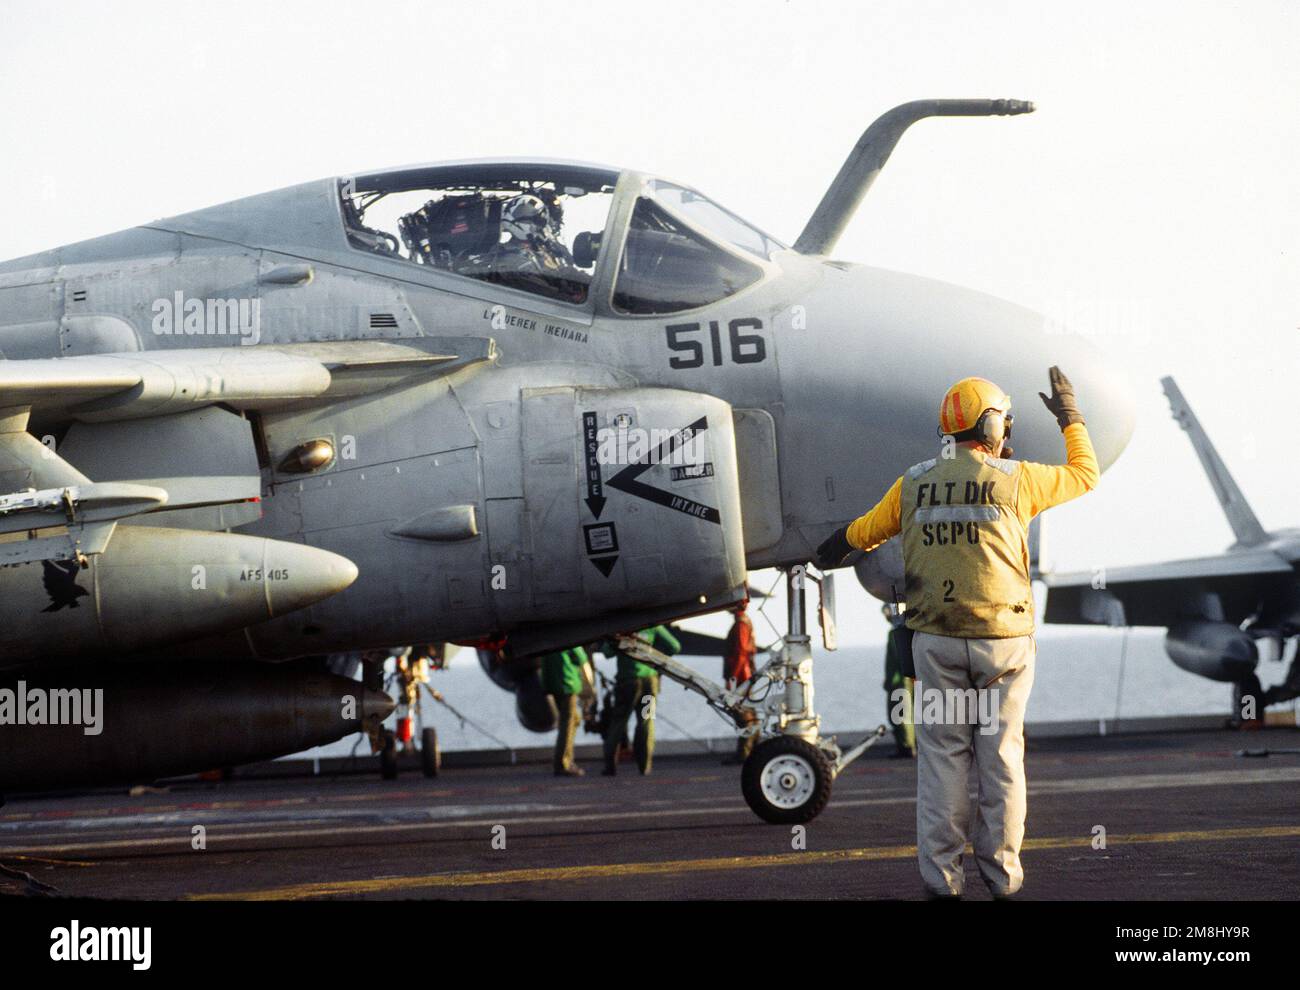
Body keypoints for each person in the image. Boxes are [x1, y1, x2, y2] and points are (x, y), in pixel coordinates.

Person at [816, 367, 1098, 900]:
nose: (1008, 435)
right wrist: (1070, 417)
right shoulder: (1020, 482)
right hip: (1004, 645)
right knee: (1002, 762)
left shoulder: (914, 482)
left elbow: (863, 532)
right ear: (991, 427)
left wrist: (831, 548)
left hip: (936, 643)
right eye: (1005, 425)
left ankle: (942, 883)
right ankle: (1002, 879)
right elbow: (1085, 474)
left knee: (942, 763)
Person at [602, 626, 680, 776]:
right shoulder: (652, 625)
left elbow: (606, 652)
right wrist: (657, 658)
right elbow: (674, 646)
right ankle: (645, 766)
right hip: (649, 682)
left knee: (619, 721)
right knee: (646, 720)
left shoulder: (620, 626)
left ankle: (610, 766)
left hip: (628, 682)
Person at [540, 645, 592, 777]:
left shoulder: (545, 638)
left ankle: (566, 760)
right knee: (567, 725)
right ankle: (563, 764)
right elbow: (582, 660)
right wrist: (590, 690)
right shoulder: (570, 638)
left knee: (573, 720)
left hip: (554, 684)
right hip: (568, 684)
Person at [721, 603, 760, 765]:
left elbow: (740, 654)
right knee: (748, 712)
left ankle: (745, 752)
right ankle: (753, 750)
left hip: (741, 675)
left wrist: (732, 680)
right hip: (745, 674)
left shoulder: (740, 626)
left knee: (743, 715)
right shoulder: (745, 622)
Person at [882, 606, 916, 759]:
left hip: (900, 681)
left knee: (901, 715)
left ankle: (907, 747)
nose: (886, 615)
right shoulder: (900, 633)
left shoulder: (898, 634)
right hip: (899, 680)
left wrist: (894, 680)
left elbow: (899, 659)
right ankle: (907, 745)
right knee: (901, 715)